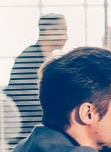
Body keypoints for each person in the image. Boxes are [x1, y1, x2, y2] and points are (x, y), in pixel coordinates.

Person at [5, 13, 68, 144]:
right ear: (47, 32)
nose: (66, 36)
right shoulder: (29, 58)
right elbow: (25, 98)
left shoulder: (47, 59)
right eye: (61, 30)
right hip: (27, 128)